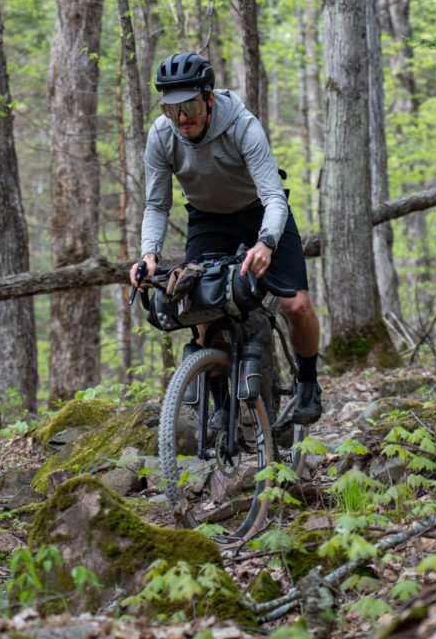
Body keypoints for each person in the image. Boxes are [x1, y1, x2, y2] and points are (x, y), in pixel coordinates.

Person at [129, 51, 322, 426]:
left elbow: (273, 197)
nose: (182, 118)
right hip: (208, 219)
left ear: (209, 98)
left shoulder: (242, 126)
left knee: (295, 306)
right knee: (199, 307)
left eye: (190, 106)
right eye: (173, 109)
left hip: (260, 213)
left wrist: (266, 241)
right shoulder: (161, 135)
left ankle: (309, 384)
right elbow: (156, 204)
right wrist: (148, 254)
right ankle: (223, 409)